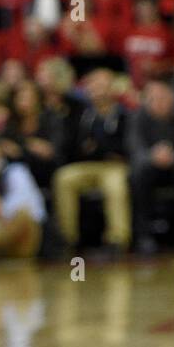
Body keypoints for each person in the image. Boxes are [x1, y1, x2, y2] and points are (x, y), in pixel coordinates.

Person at [52, 68, 131, 254]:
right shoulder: (82, 115)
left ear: (113, 89)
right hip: (87, 165)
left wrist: (99, 148)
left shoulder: (124, 115)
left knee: (115, 185)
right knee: (64, 178)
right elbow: (76, 146)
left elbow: (124, 147)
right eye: (93, 85)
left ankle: (118, 239)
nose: (96, 89)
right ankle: (68, 238)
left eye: (102, 85)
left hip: (115, 167)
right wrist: (100, 149)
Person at [126, 79, 174, 255]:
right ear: (146, 102)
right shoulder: (138, 117)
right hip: (149, 166)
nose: (159, 102)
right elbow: (134, 147)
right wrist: (152, 157)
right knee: (137, 174)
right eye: (153, 99)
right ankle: (143, 235)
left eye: (163, 98)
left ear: (172, 98)